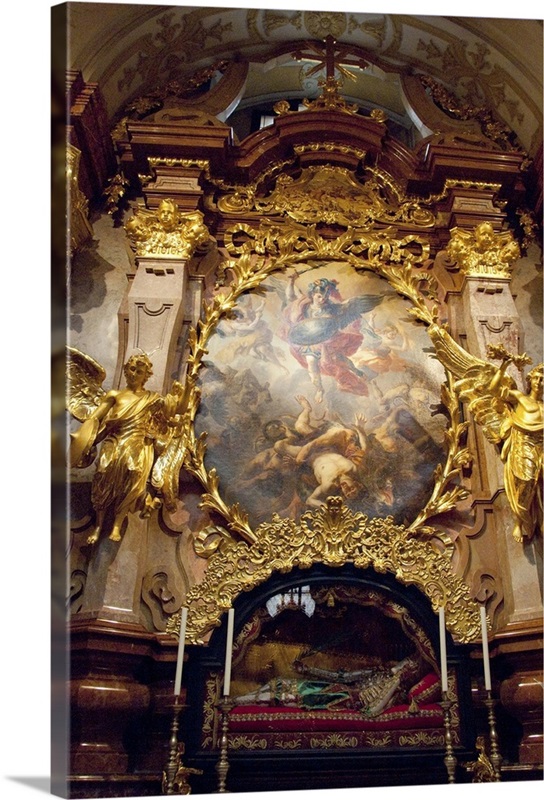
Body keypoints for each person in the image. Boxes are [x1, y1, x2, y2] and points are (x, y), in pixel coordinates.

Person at [70, 353, 187, 544]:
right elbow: (95, 419)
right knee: (103, 475)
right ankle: (99, 525)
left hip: (137, 443)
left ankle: (117, 523)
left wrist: (188, 387)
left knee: (134, 476)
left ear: (146, 375)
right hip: (114, 440)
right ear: (125, 370)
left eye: (139, 371)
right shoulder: (114, 395)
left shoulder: (152, 398)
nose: (134, 374)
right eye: (131, 369)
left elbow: (177, 410)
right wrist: (86, 439)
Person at [281, 274, 384, 402]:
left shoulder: (333, 309)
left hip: (327, 341)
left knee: (341, 360)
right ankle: (319, 389)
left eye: (325, 297)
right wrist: (291, 281)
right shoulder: (304, 306)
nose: (322, 299)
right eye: (319, 296)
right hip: (309, 343)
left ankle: (356, 371)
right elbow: (291, 297)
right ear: (313, 295)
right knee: (312, 367)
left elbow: (349, 308)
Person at [232, 656, 423, 718]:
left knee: (286, 698)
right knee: (283, 683)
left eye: (407, 665)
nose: (401, 664)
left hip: (340, 699)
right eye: (404, 661)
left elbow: (371, 712)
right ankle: (236, 700)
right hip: (334, 687)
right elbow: (343, 677)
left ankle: (233, 702)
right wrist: (308, 670)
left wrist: (396, 681)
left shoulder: (398, 691)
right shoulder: (379, 671)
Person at [487, 360, 543, 542]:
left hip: (541, 447)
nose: (540, 382)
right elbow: (494, 389)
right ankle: (519, 521)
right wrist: (504, 365)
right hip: (523, 447)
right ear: (530, 380)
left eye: (543, 379)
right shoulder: (520, 397)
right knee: (526, 482)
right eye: (537, 378)